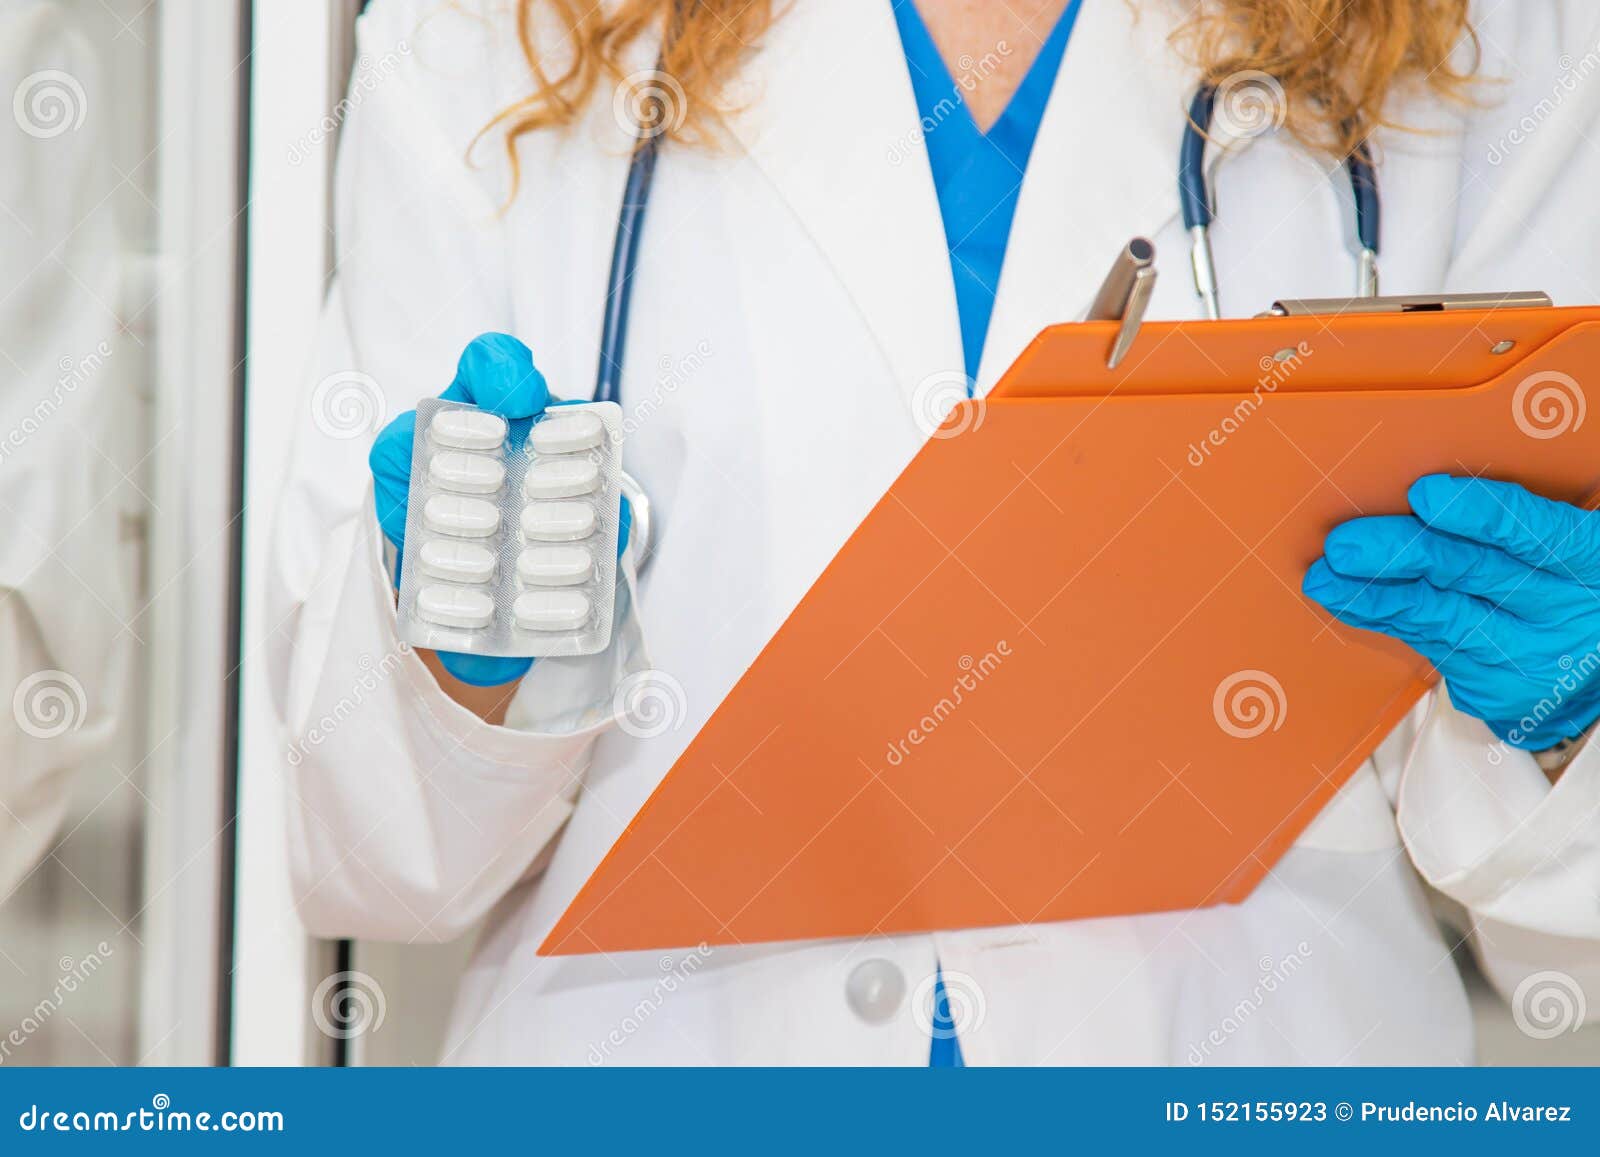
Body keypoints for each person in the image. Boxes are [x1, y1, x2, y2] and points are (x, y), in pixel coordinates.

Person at [268, 0, 1600, 1064]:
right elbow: (369, 859)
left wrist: (1572, 714)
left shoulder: (1491, 43)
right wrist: (455, 665)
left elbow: (1565, 960)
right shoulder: (484, 42)